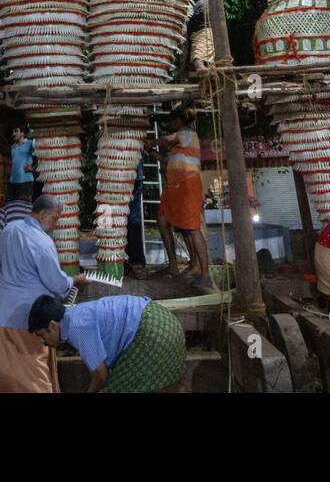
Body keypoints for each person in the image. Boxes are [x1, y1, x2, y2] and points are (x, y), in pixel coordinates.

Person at [0, 194, 87, 392]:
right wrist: (74, 280)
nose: (55, 224)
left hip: (5, 313)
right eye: (55, 218)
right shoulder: (42, 242)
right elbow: (57, 284)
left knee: (8, 373)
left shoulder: (9, 230)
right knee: (34, 374)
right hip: (30, 317)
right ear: (42, 215)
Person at [28, 293, 186, 393]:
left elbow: (100, 375)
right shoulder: (76, 313)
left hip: (151, 332)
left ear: (53, 326)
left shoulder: (76, 328)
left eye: (42, 335)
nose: (44, 342)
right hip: (164, 319)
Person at [153, 108, 213, 292]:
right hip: (175, 186)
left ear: (180, 121)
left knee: (192, 229)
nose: (170, 125)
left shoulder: (187, 133)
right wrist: (151, 152)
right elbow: (167, 160)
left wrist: (150, 141)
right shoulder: (180, 143)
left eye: (172, 121)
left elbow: (165, 140)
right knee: (163, 220)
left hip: (187, 185)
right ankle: (174, 265)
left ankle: (205, 274)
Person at [125, 156, 147, 279]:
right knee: (113, 221)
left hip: (131, 176)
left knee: (133, 220)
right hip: (112, 176)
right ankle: (131, 263)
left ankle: (135, 263)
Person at [9, 125, 35, 189]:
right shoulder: (12, 147)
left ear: (22, 133)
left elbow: (42, 157)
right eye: (12, 132)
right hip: (13, 181)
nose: (13, 134)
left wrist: (33, 168)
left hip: (26, 181)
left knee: (24, 199)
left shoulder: (30, 143)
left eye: (16, 131)